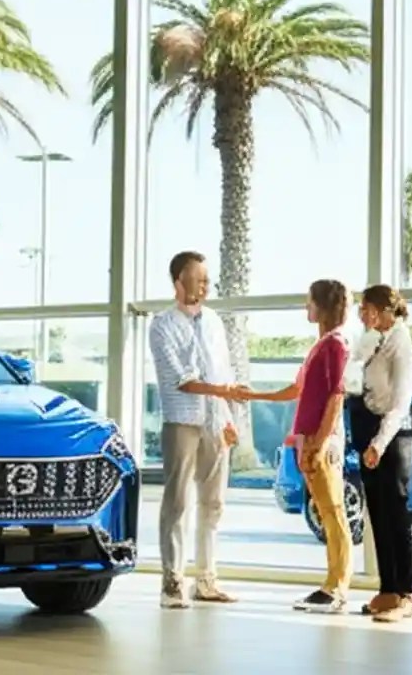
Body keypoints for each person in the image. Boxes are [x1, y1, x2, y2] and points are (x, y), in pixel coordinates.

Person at [148, 250, 246, 609]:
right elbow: (181, 380)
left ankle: (206, 580)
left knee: (214, 502)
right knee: (176, 503)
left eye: (207, 279)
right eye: (198, 278)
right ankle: (172, 583)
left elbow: (224, 371)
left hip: (216, 421)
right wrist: (224, 392)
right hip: (182, 422)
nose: (205, 285)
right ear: (178, 283)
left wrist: (229, 416)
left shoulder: (214, 322)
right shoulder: (161, 324)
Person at [351, 284, 412, 623]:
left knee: (396, 516)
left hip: (393, 436)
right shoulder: (371, 341)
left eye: (364, 308)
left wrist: (378, 444)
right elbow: (354, 378)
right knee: (376, 514)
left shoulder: (401, 345)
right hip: (368, 431)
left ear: (381, 309)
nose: (360, 314)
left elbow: (400, 403)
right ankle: (387, 588)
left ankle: (407, 593)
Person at [287, 279, 354, 614]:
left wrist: (320, 440)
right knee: (328, 513)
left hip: (322, 441)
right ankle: (333, 583)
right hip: (312, 439)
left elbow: (336, 396)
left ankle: (337, 587)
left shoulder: (335, 346)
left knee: (333, 513)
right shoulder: (324, 345)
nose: (306, 307)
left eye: (310, 301)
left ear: (324, 306)